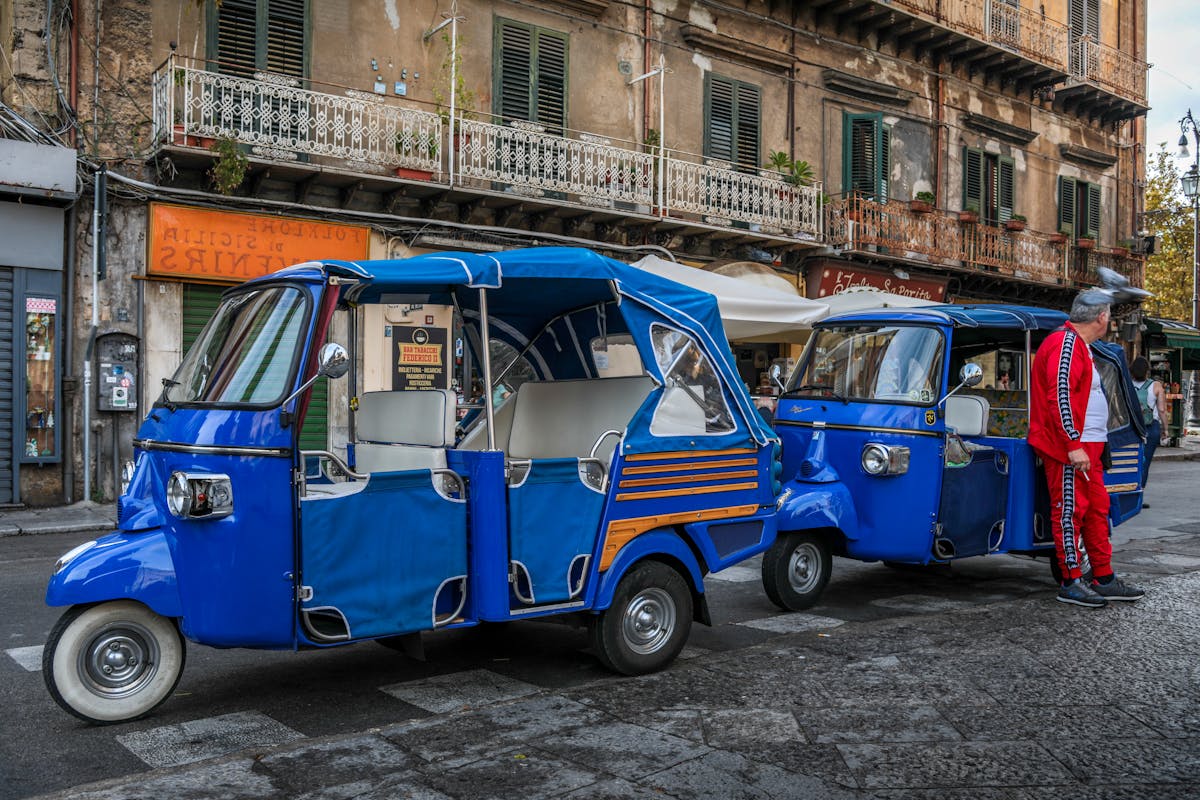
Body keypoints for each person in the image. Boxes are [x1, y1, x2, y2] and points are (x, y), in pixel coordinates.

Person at [1028, 289, 1144, 607]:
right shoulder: (1065, 343)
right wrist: (1072, 444)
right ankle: (1070, 581)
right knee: (1070, 512)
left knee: (1095, 510)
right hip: (1069, 448)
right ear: (1101, 317)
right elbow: (1060, 395)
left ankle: (1102, 577)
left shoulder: (1077, 344)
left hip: (1086, 445)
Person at [1129, 356, 1166, 504]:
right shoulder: (1156, 385)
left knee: (1132, 460)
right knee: (1145, 462)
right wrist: (1165, 429)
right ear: (1147, 371)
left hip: (1132, 427)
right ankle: (1139, 496)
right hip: (1151, 427)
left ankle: (1128, 492)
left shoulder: (1127, 384)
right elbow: (1162, 410)